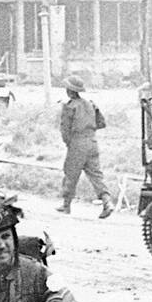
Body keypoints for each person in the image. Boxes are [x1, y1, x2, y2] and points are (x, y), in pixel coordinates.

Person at [58, 75, 114, 218]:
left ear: (69, 90)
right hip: (92, 142)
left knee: (71, 174)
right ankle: (107, 202)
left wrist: (70, 142)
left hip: (78, 143)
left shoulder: (69, 107)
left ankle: (66, 205)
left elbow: (65, 130)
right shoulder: (91, 104)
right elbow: (102, 123)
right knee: (96, 175)